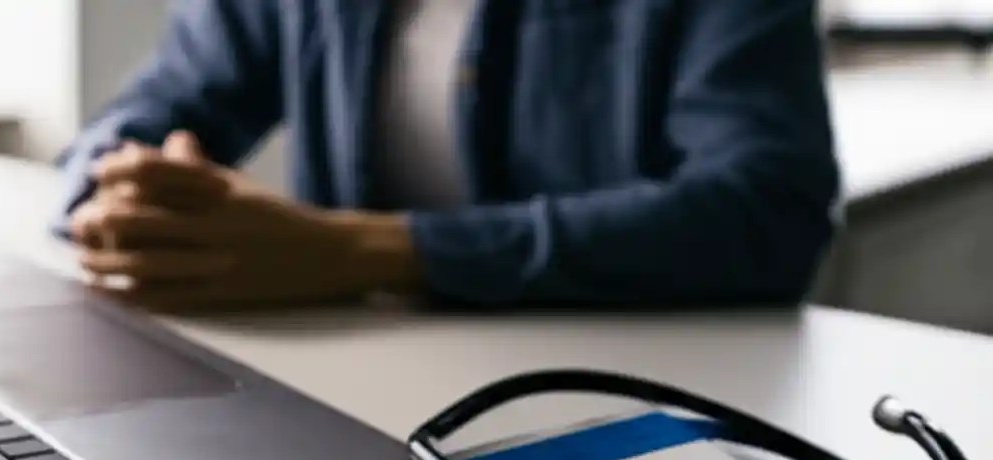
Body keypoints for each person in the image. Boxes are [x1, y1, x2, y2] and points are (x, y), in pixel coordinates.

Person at [59, 0, 840, 310]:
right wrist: (132, 191)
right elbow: (149, 112)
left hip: (635, 410)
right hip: (351, 402)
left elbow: (769, 207)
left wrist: (360, 250)